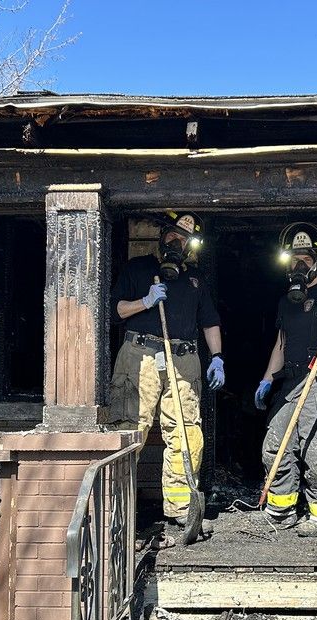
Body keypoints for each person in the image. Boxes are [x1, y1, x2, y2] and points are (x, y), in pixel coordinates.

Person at [108, 212, 224, 537]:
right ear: (163, 236)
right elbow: (115, 310)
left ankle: (180, 508)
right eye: (174, 235)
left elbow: (210, 321)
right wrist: (145, 301)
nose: (179, 242)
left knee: (187, 433)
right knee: (130, 427)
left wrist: (217, 357)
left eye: (185, 239)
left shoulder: (195, 280)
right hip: (140, 354)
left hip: (184, 357)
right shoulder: (138, 268)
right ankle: (116, 506)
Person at [254, 223, 317, 537]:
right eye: (293, 260)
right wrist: (267, 380)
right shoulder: (286, 302)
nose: (299, 265)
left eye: (305, 260)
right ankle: (281, 511)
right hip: (292, 382)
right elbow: (281, 345)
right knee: (275, 444)